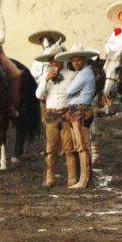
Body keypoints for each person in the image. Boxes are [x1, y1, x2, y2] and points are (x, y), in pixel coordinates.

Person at [59, 45, 98, 188]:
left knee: (82, 145)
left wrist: (72, 91)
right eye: (73, 60)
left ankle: (84, 179)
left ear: (84, 60)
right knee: (81, 144)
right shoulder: (83, 73)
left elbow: (69, 90)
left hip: (80, 110)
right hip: (78, 109)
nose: (76, 63)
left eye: (78, 60)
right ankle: (86, 178)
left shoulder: (85, 73)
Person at [36, 49, 75, 188]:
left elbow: (74, 95)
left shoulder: (71, 75)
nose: (54, 63)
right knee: (51, 148)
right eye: (52, 60)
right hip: (51, 115)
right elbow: (39, 95)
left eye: (57, 60)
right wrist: (46, 80)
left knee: (69, 147)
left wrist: (70, 110)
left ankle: (72, 178)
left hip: (66, 115)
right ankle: (49, 178)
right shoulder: (45, 77)